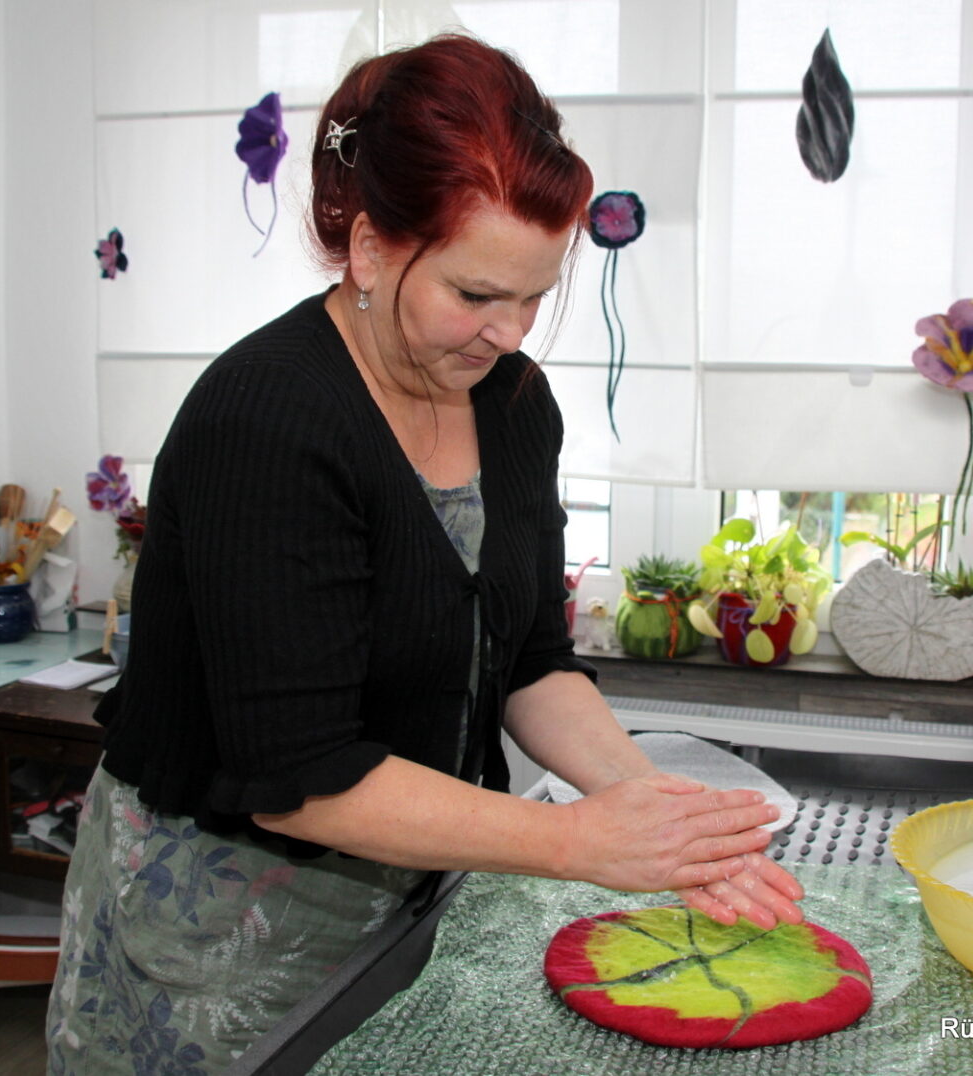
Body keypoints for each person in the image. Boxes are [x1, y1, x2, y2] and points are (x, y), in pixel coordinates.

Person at [46, 33, 804, 1073]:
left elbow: (530, 658)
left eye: (534, 296)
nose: (508, 331)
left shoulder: (514, 406)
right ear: (367, 250)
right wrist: (583, 841)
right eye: (476, 293)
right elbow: (296, 775)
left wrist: (650, 808)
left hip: (413, 878)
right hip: (218, 922)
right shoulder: (267, 420)